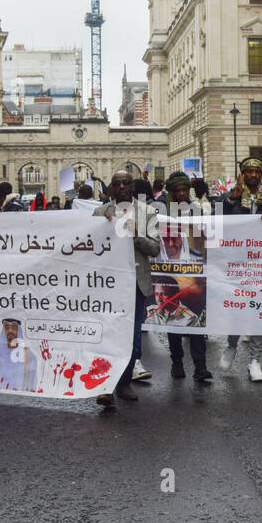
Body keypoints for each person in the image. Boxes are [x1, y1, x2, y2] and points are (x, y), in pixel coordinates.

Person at [94, 170, 159, 406]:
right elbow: (89, 247)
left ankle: (123, 383)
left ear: (133, 187)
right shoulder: (100, 213)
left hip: (135, 284)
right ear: (111, 188)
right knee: (107, 335)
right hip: (108, 285)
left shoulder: (148, 212)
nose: (122, 187)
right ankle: (105, 386)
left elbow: (154, 249)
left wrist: (135, 235)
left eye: (126, 183)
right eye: (117, 184)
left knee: (132, 339)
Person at [218, 157, 262, 382]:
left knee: (257, 310)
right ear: (242, 174)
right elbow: (218, 220)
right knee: (237, 308)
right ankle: (231, 346)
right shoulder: (230, 198)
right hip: (237, 263)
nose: (254, 175)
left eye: (257, 171)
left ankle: (255, 360)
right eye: (249, 171)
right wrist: (231, 199)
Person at [161, 172, 211, 382]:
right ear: (170, 192)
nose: (181, 193)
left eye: (184, 189)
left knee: (197, 322)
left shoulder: (197, 210)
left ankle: (200, 367)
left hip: (194, 273)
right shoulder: (161, 212)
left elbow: (206, 238)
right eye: (176, 190)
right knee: (173, 322)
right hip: (168, 274)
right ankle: (177, 363)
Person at [0, 318, 40, 391]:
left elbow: (31, 386)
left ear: (18, 330)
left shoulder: (29, 356)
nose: (10, 331)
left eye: (14, 327)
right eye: (6, 327)